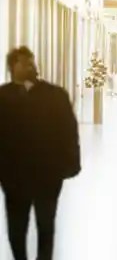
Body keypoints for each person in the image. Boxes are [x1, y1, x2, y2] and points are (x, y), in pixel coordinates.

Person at [0, 47, 80, 260]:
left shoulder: (55, 95)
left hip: (47, 175)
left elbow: (69, 130)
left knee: (46, 225)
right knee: (16, 228)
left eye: (32, 61)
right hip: (14, 177)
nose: (31, 66)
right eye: (24, 63)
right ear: (12, 67)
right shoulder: (2, 97)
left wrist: (70, 164)